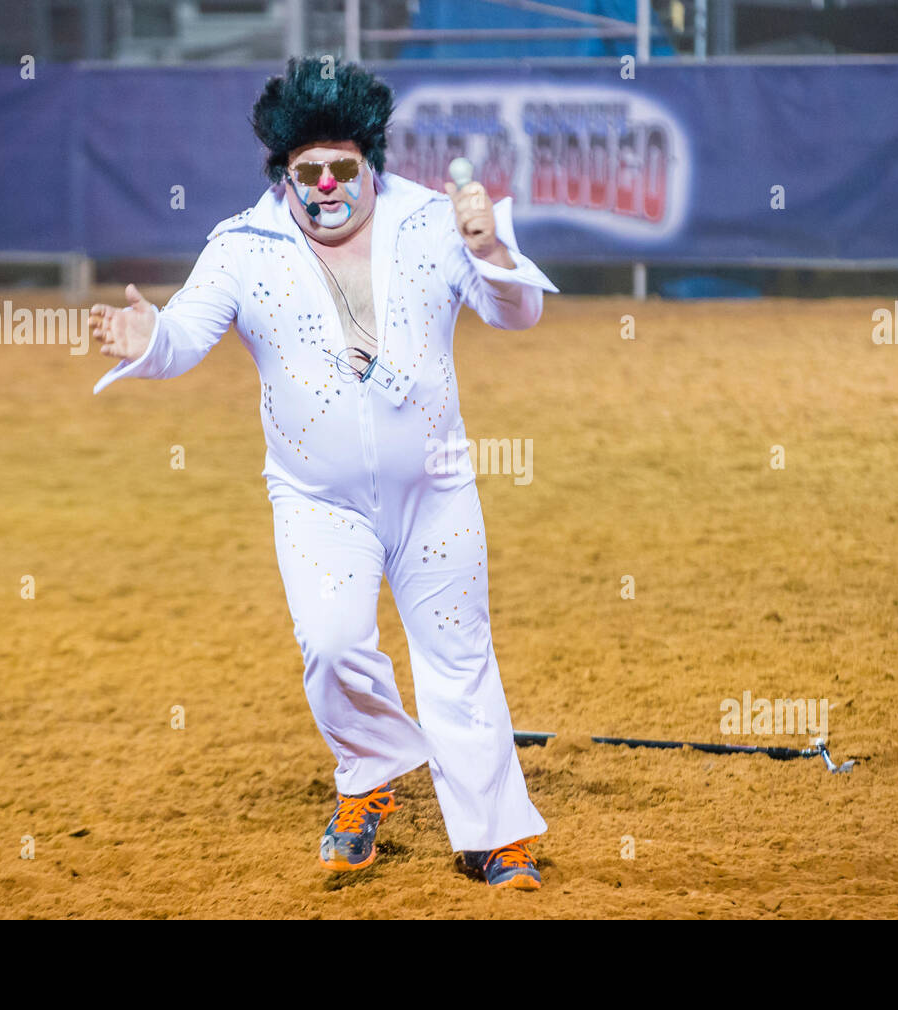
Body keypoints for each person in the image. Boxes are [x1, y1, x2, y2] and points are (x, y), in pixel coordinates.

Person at [90, 57, 557, 890]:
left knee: (458, 656)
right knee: (334, 648)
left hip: (437, 487)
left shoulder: (433, 222)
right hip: (314, 501)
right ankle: (368, 773)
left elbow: (517, 315)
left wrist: (491, 247)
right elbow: (184, 336)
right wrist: (148, 340)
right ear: (283, 174)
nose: (329, 185)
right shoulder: (242, 245)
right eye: (309, 171)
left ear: (371, 161)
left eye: (345, 167)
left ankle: (495, 838)